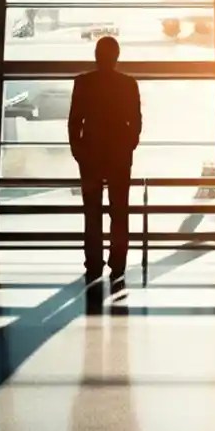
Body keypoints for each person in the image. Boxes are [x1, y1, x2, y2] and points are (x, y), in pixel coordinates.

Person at [68, 36, 141, 279]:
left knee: (92, 211)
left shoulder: (83, 83)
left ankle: (93, 261)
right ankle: (118, 261)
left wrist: (78, 150)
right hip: (119, 154)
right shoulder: (128, 84)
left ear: (96, 55)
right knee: (119, 210)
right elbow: (136, 121)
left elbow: (74, 121)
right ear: (117, 57)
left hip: (90, 153)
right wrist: (128, 145)